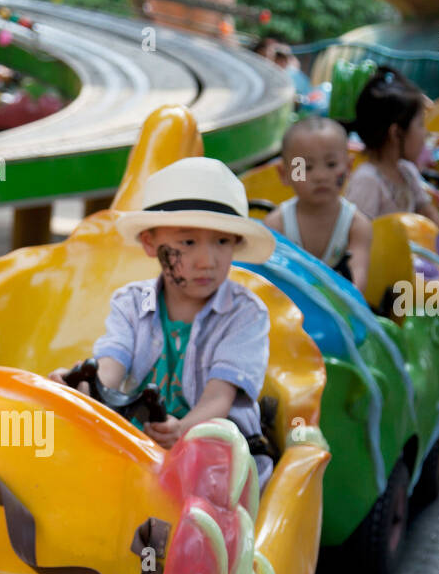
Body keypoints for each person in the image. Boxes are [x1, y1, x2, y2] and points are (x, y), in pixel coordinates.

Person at [49, 157, 278, 487]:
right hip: (143, 443)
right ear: (149, 243)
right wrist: (81, 386)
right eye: (188, 242)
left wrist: (182, 431)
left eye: (222, 241)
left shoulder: (244, 315)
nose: (207, 260)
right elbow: (110, 368)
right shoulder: (132, 303)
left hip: (216, 455)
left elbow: (218, 399)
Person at [345, 66, 439, 255]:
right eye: (420, 125)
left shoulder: (407, 172)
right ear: (396, 133)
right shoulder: (368, 181)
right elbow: (357, 244)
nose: (425, 133)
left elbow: (430, 214)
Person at [264, 116, 372, 291]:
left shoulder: (357, 226)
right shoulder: (277, 225)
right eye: (306, 167)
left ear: (349, 167)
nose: (320, 176)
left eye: (331, 164)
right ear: (284, 173)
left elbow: (356, 285)